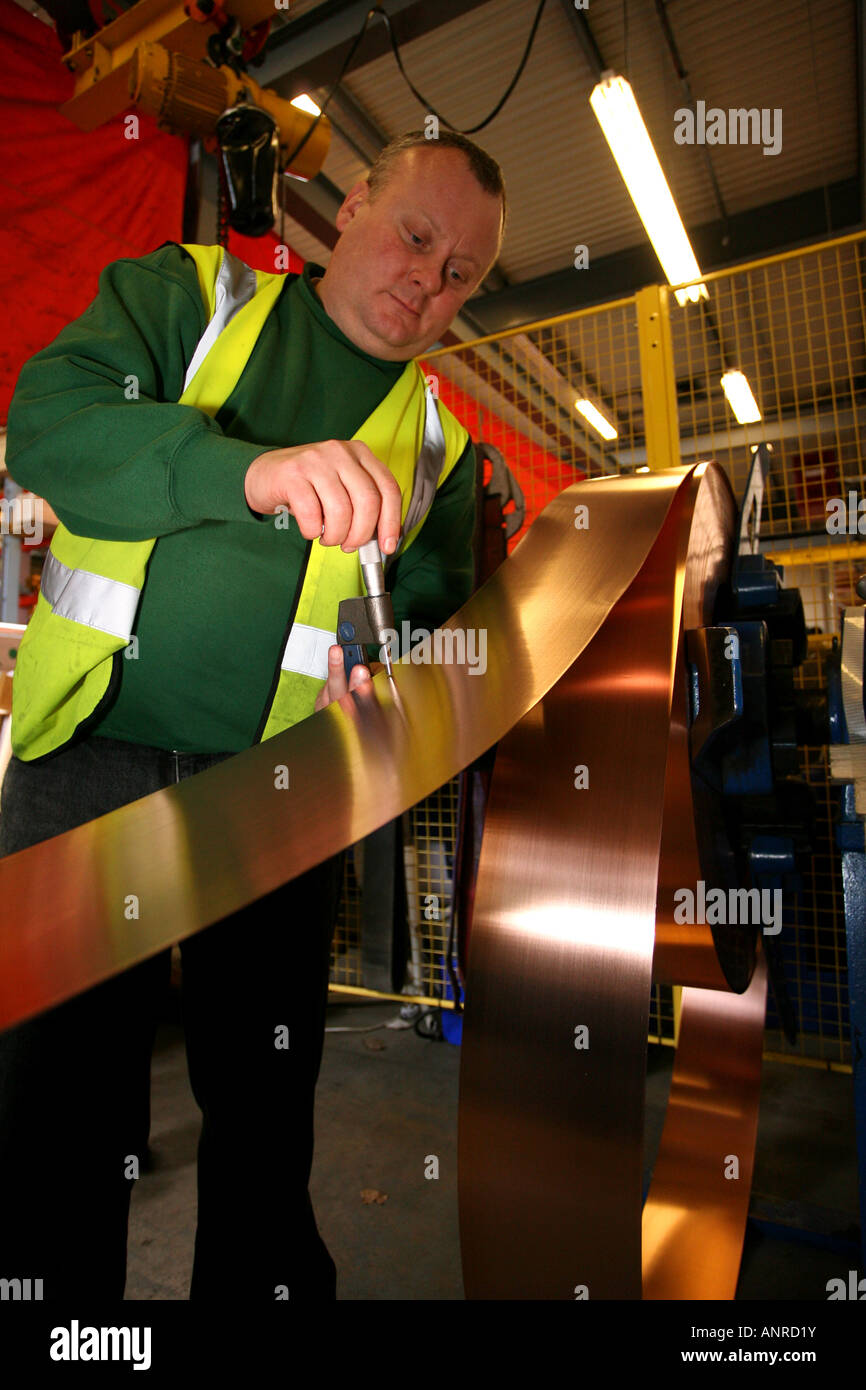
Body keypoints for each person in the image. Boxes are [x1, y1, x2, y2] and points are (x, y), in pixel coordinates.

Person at [0, 128, 506, 1300]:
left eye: (460, 274)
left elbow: (428, 617)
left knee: (265, 1103)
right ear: (352, 201)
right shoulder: (190, 298)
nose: (427, 282)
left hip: (284, 791)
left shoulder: (442, 445)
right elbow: (53, 426)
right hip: (92, 750)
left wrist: (395, 686)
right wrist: (246, 473)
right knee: (54, 1097)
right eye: (415, 236)